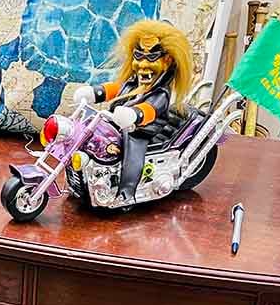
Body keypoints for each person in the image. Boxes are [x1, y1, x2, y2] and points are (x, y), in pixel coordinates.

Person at [74, 19, 193, 203]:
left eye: (152, 58)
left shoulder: (160, 93)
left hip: (142, 129)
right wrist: (94, 93)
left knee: (132, 146)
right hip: (119, 120)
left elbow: (151, 109)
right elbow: (115, 88)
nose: (143, 64)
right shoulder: (132, 83)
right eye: (138, 56)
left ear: (167, 60)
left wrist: (135, 115)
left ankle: (127, 192)